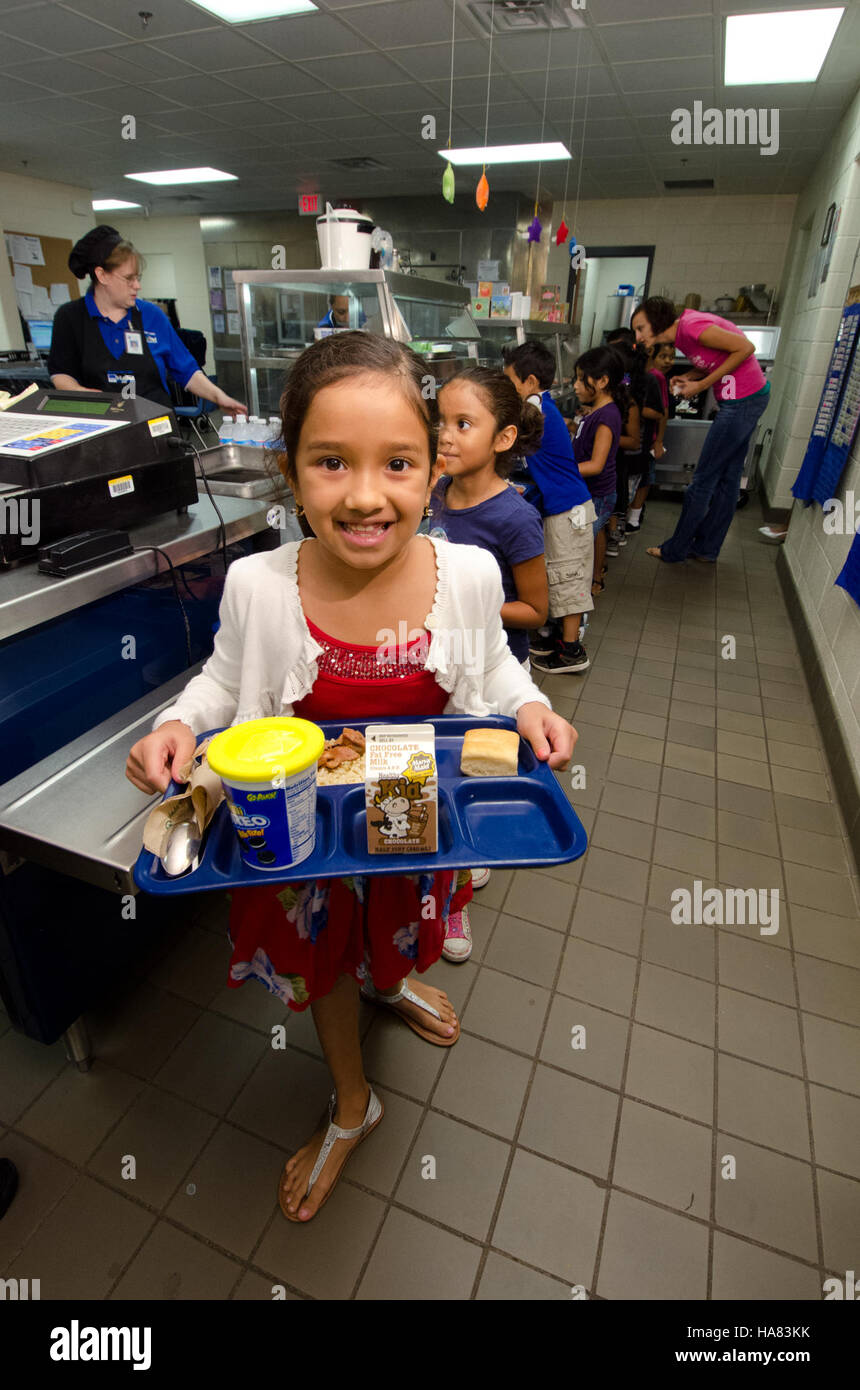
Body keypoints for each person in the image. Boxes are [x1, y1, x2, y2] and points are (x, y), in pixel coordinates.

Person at [125, 332, 576, 1224]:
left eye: (398, 463)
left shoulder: (472, 575)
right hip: (296, 820)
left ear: (432, 471)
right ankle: (353, 1102)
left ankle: (394, 979)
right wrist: (177, 723)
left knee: (397, 923)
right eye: (331, 462)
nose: (366, 495)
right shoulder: (258, 583)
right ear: (290, 473)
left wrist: (525, 709)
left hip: (414, 795)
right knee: (322, 953)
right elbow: (223, 679)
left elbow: (494, 670)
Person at [431, 367, 549, 958]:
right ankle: (441, 882)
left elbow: (536, 610)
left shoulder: (514, 517)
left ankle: (460, 900)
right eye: (440, 422)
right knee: (439, 772)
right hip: (435, 662)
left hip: (490, 668)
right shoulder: (432, 494)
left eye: (462, 424)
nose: (445, 436)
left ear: (503, 439)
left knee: (475, 777)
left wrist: (472, 602)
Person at [48, 225, 246, 416]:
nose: (137, 285)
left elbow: (186, 370)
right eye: (129, 278)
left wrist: (219, 397)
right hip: (101, 431)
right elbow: (61, 374)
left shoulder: (151, 315)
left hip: (156, 428)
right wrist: (84, 396)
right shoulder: (70, 318)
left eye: (138, 277)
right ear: (102, 275)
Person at [631, 296, 770, 563]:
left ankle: (676, 550)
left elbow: (746, 348)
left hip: (741, 401)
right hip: (746, 399)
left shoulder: (692, 326)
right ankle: (707, 549)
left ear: (657, 321)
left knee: (702, 481)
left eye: (640, 328)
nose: (638, 337)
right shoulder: (682, 336)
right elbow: (715, 358)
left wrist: (702, 384)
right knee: (728, 481)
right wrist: (691, 377)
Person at [503, 341, 595, 675]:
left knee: (568, 575)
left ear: (528, 381)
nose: (506, 389)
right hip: (564, 504)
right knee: (558, 570)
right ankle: (557, 638)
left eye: (509, 382)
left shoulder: (535, 410)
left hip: (569, 507)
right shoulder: (540, 404)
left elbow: (507, 440)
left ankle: (571, 650)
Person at [569, 347, 623, 598]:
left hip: (597, 494)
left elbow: (596, 464)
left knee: (579, 545)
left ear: (602, 381)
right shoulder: (598, 411)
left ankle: (578, 596)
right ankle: (596, 577)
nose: (575, 385)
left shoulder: (606, 416)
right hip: (595, 493)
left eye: (582, 379)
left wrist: (561, 471)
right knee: (595, 534)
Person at [625, 341, 673, 534]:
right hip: (638, 440)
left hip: (646, 440)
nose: (668, 361)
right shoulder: (636, 378)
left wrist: (659, 440)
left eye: (670, 357)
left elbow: (662, 411)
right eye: (664, 356)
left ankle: (633, 518)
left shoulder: (655, 378)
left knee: (643, 478)